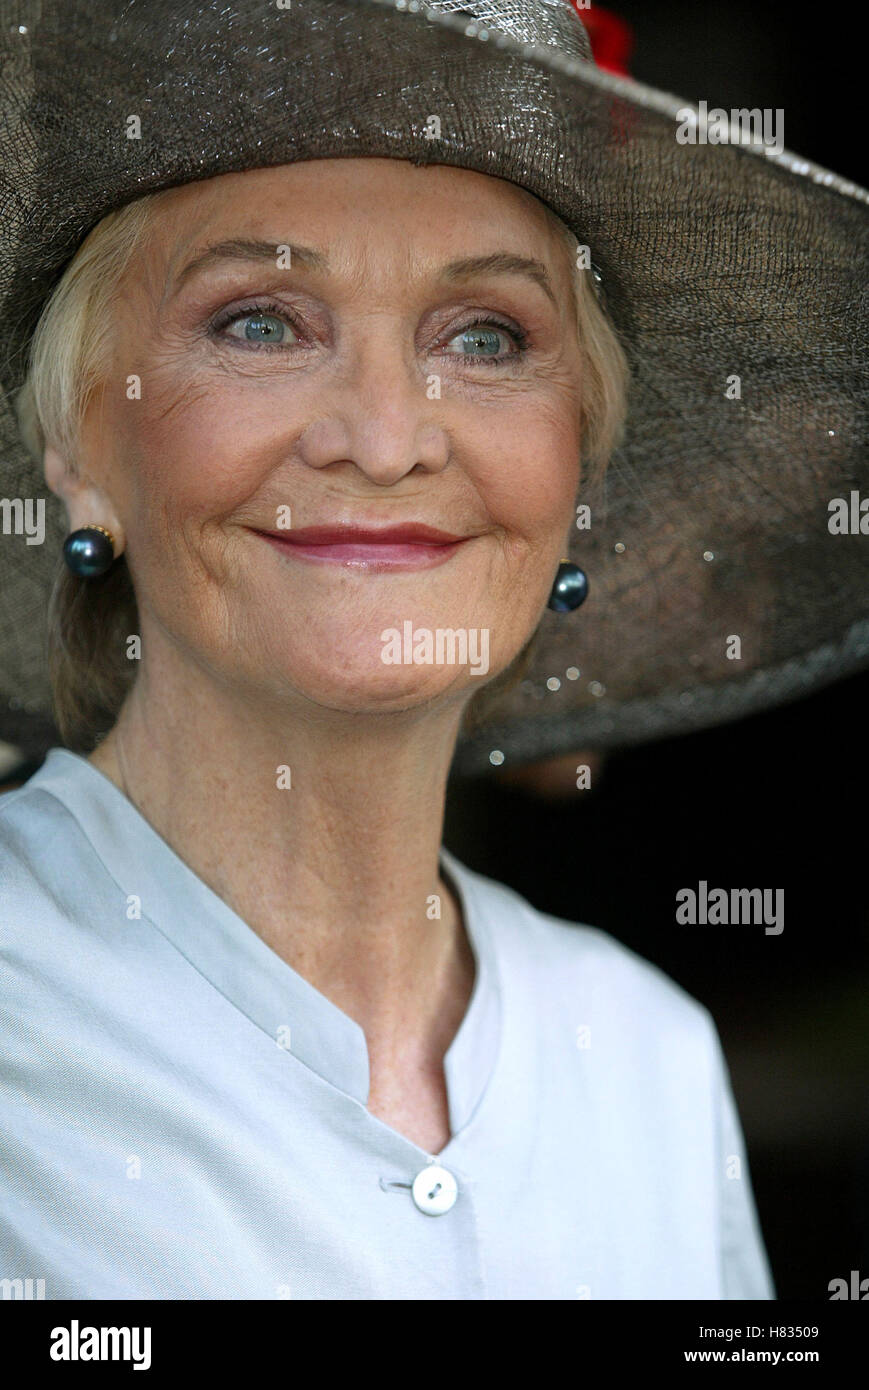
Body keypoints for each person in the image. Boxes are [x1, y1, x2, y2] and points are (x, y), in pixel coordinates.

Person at [1, 0, 865, 1301]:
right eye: (260, 322)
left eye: (486, 337)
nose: (388, 435)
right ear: (75, 446)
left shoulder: (646, 1056)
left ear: (579, 465)